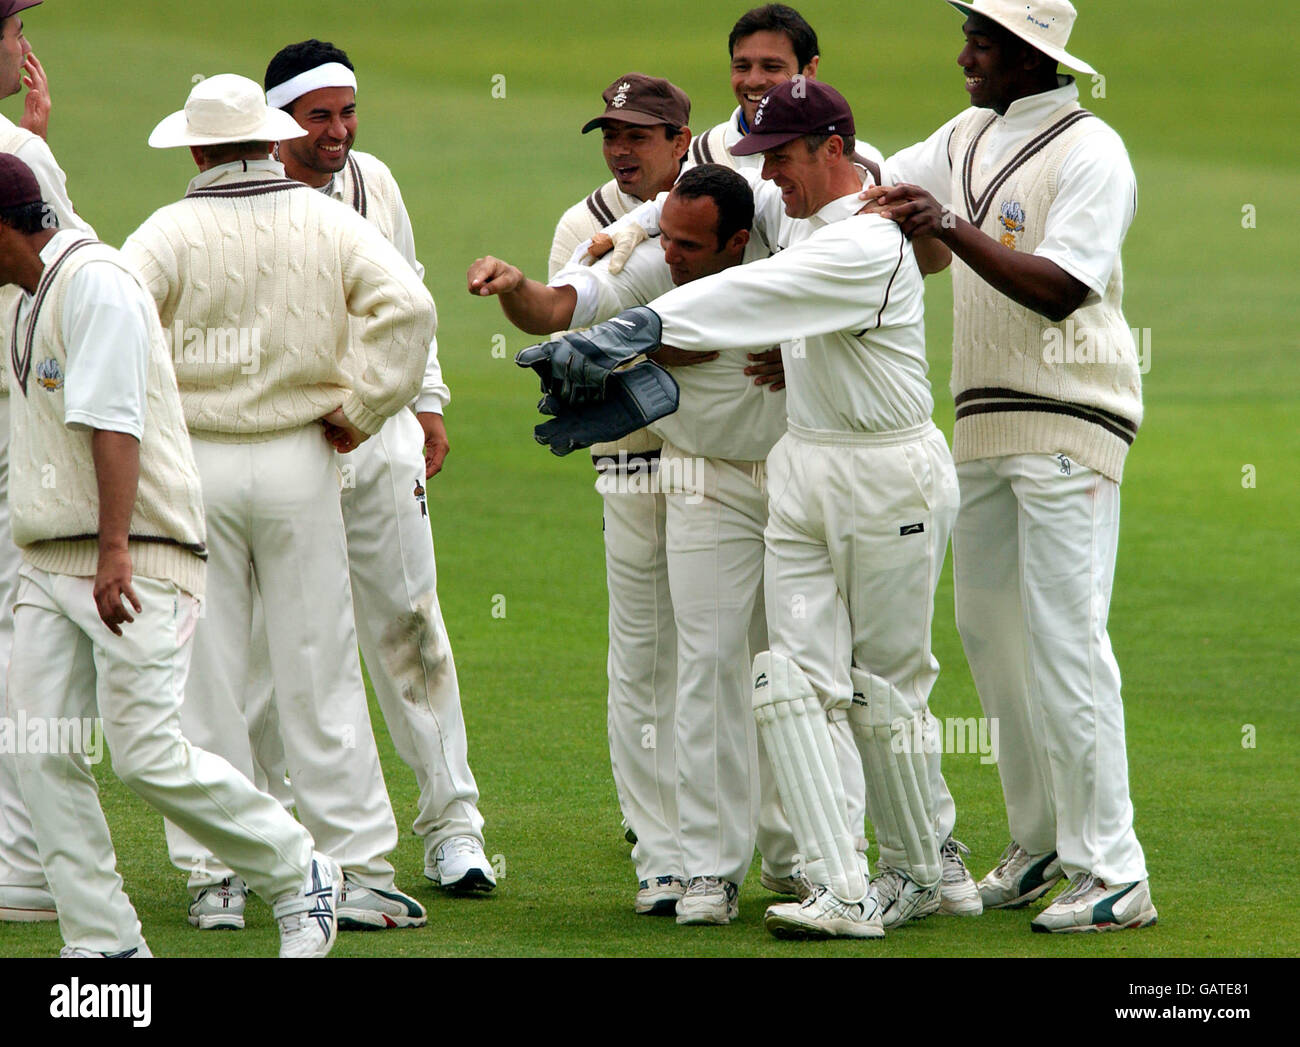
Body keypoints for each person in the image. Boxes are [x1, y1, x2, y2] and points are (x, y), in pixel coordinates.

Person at [541, 79, 965, 938]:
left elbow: (753, 296)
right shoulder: (801, 211)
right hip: (805, 462)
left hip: (889, 472)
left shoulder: (866, 242)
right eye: (764, 158)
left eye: (783, 157)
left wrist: (634, 330)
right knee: (796, 681)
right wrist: (625, 239)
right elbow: (688, 203)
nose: (770, 176)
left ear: (833, 149)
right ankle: (839, 876)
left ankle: (924, 862)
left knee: (884, 684)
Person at [177, 41, 498, 932]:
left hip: (376, 434)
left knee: (409, 623)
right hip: (287, 447)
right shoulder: (221, 203)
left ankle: (452, 824)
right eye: (319, 116)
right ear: (278, 123)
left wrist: (422, 403)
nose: (339, 132)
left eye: (348, 112)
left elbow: (410, 296)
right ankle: (270, 842)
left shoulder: (374, 182)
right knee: (277, 653)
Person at [0, 152, 341, 958]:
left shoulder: (98, 284)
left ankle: (300, 869)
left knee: (146, 754)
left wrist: (116, 548)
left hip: (135, 555)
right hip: (49, 560)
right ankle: (104, 940)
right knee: (37, 749)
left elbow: (116, 423)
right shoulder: (23, 295)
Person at [865, 0, 1154, 933]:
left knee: (1069, 641)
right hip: (983, 420)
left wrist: (944, 224)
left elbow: (1063, 286)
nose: (963, 58)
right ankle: (1038, 844)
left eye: (980, 45)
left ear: (1032, 56)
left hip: (1072, 412)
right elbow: (869, 179)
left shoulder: (1092, 148)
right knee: (990, 635)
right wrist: (771, 136)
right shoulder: (964, 133)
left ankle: (1114, 869)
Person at [122, 74, 435, 933]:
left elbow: (109, 327)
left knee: (208, 672)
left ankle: (216, 874)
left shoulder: (165, 233)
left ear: (194, 148)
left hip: (195, 465)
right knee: (320, 663)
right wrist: (363, 408)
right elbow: (407, 307)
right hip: (303, 458)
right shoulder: (329, 218)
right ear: (269, 138)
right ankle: (360, 868)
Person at [472, 163, 790, 923]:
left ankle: (803, 855)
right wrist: (520, 288)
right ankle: (698, 867)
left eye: (690, 243)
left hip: (796, 474)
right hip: (691, 473)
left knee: (800, 664)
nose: (672, 256)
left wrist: (802, 349)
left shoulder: (790, 229)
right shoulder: (640, 249)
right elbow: (562, 306)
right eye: (667, 235)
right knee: (697, 663)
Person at [0, 0, 96, 925]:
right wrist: (37, 154)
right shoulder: (17, 161)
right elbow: (73, 263)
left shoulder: (15, 145)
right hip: (12, 422)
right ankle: (23, 866)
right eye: (13, 33)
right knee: (18, 634)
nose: (25, 48)